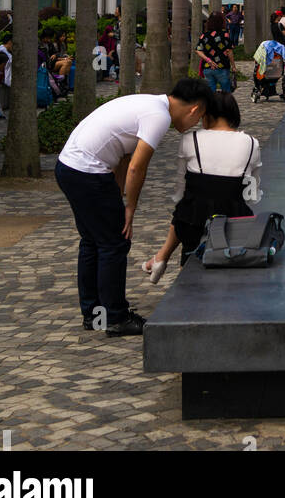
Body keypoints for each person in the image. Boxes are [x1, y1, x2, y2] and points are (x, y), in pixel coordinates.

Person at [55, 77, 212, 335]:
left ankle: (94, 314)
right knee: (114, 243)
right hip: (88, 172)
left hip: (69, 168)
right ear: (195, 109)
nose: (196, 123)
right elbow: (138, 167)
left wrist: (118, 198)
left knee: (93, 241)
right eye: (200, 117)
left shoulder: (148, 103)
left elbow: (124, 157)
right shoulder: (159, 116)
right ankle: (116, 317)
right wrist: (130, 207)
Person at [142, 91, 263, 282]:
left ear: (207, 115)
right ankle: (161, 258)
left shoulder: (191, 140)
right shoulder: (251, 143)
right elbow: (252, 194)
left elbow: (181, 188)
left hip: (194, 222)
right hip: (235, 220)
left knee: (188, 203)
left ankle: (165, 259)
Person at [196, 12, 235, 93]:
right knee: (226, 93)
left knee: (210, 93)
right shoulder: (225, 34)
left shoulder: (204, 35)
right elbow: (229, 51)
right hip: (222, 66)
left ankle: (212, 105)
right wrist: (233, 66)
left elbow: (198, 50)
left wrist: (208, 60)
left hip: (208, 67)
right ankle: (224, 105)